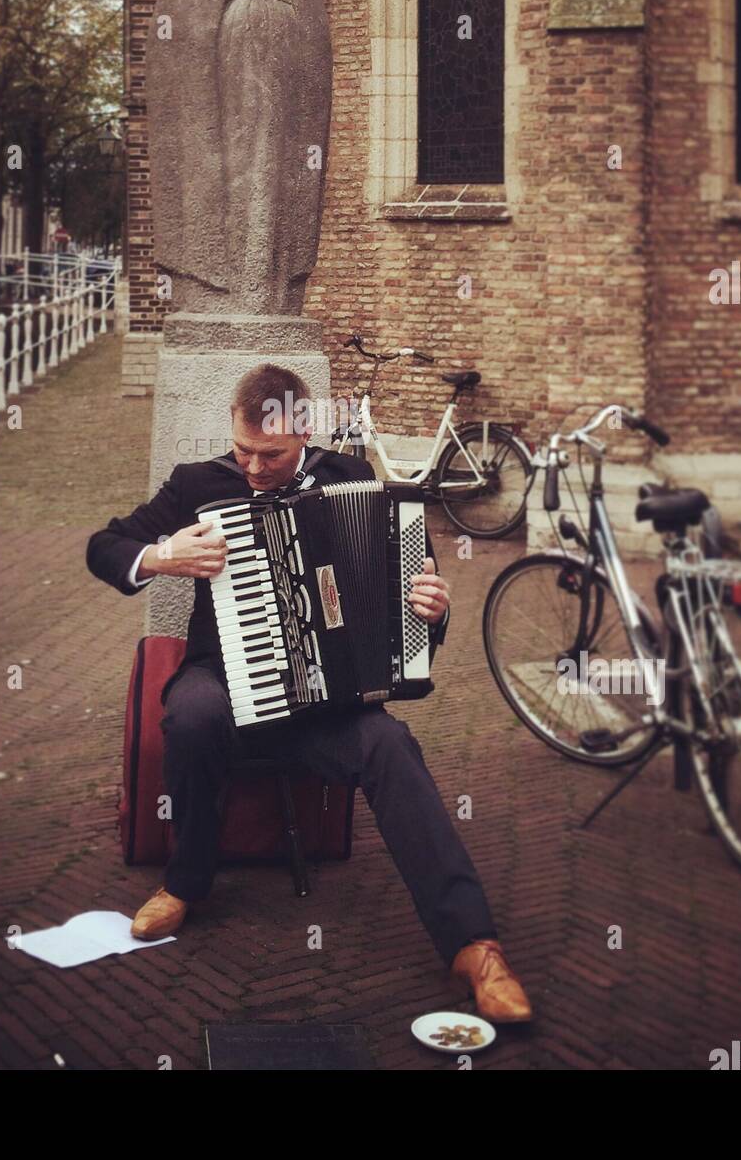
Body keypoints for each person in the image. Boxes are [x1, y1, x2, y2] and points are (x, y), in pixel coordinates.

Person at [85, 364, 532, 1023]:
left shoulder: (354, 483)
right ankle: (186, 881)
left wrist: (431, 613)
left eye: (270, 455)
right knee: (192, 712)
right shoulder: (197, 485)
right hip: (226, 679)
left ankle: (473, 945)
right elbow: (103, 546)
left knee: (391, 746)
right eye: (243, 452)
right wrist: (161, 555)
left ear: (304, 434)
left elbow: (409, 608)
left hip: (328, 699)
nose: (253, 468)